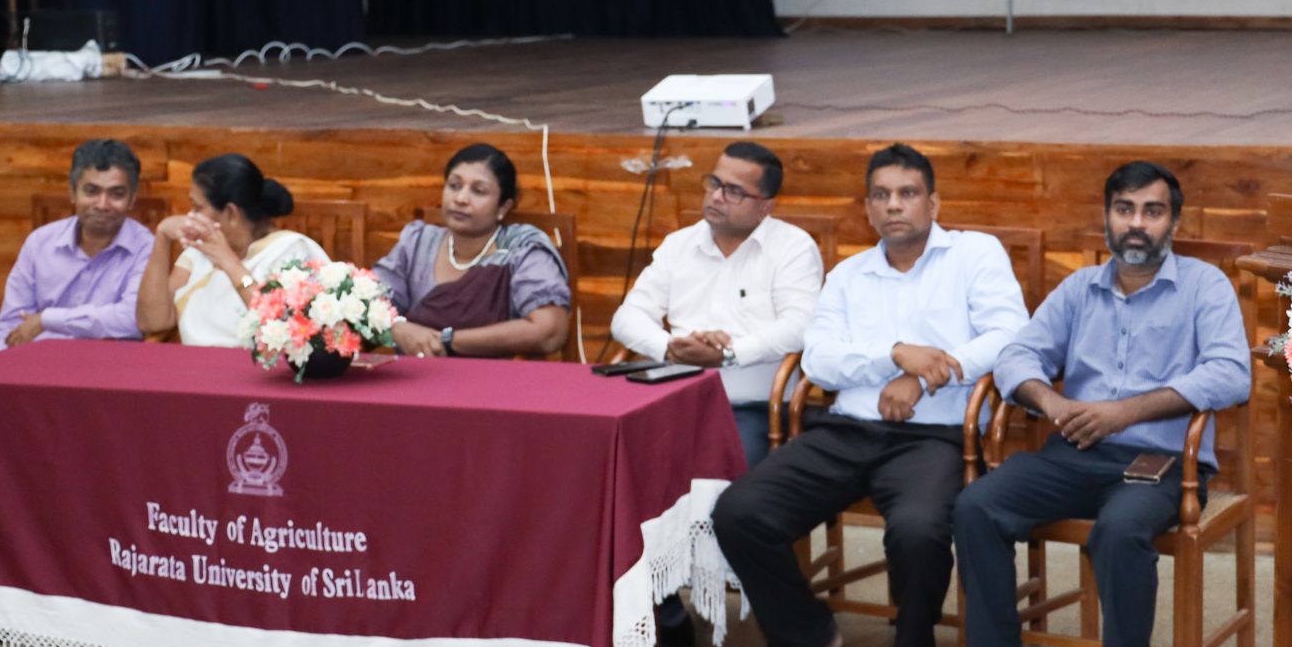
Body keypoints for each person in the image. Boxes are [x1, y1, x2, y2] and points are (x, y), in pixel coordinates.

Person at [934, 161, 1251, 647]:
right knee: (976, 505)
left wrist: (1124, 413)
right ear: (1106, 217)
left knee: (1121, 530)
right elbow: (1016, 356)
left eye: (1152, 212)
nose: (1137, 224)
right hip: (1073, 451)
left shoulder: (1205, 286)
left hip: (1161, 462)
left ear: (1173, 222)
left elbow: (1231, 374)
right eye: (1125, 210)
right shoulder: (1079, 288)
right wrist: (1052, 402)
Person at [710, 144, 1028, 647]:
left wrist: (928, 377)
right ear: (867, 206)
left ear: (933, 202)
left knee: (917, 529)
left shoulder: (975, 255)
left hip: (936, 435)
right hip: (847, 429)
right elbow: (820, 359)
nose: (894, 206)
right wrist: (895, 355)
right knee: (739, 511)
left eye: (907, 194)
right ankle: (810, 640)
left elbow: (1008, 336)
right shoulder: (850, 274)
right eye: (881, 195)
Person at [609, 140, 822, 468]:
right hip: (670, 398)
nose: (717, 196)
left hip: (752, 409)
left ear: (766, 206)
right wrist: (671, 348)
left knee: (719, 473)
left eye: (734, 191)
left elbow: (800, 327)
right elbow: (627, 317)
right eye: (714, 183)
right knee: (614, 458)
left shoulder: (792, 248)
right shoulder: (678, 244)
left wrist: (729, 354)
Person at [372, 143, 573, 360]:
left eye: (478, 191)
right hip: (415, 380)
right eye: (454, 185)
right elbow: (365, 304)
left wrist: (447, 341)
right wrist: (398, 328)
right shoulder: (418, 242)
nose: (461, 199)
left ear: (503, 207)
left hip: (495, 384)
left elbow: (550, 331)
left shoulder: (520, 248)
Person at [136, 154, 328, 347]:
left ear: (231, 213)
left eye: (197, 207)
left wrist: (229, 262)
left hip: (262, 372)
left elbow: (286, 328)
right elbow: (152, 322)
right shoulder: (199, 252)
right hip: (193, 368)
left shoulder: (290, 250)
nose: (191, 216)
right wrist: (161, 238)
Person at [0, 138, 154, 349]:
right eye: (91, 191)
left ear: (132, 199)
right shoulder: (40, 242)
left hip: (105, 369)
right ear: (72, 192)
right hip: (36, 365)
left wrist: (46, 319)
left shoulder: (146, 247)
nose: (102, 205)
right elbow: (10, 322)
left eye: (116, 194)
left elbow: (131, 320)